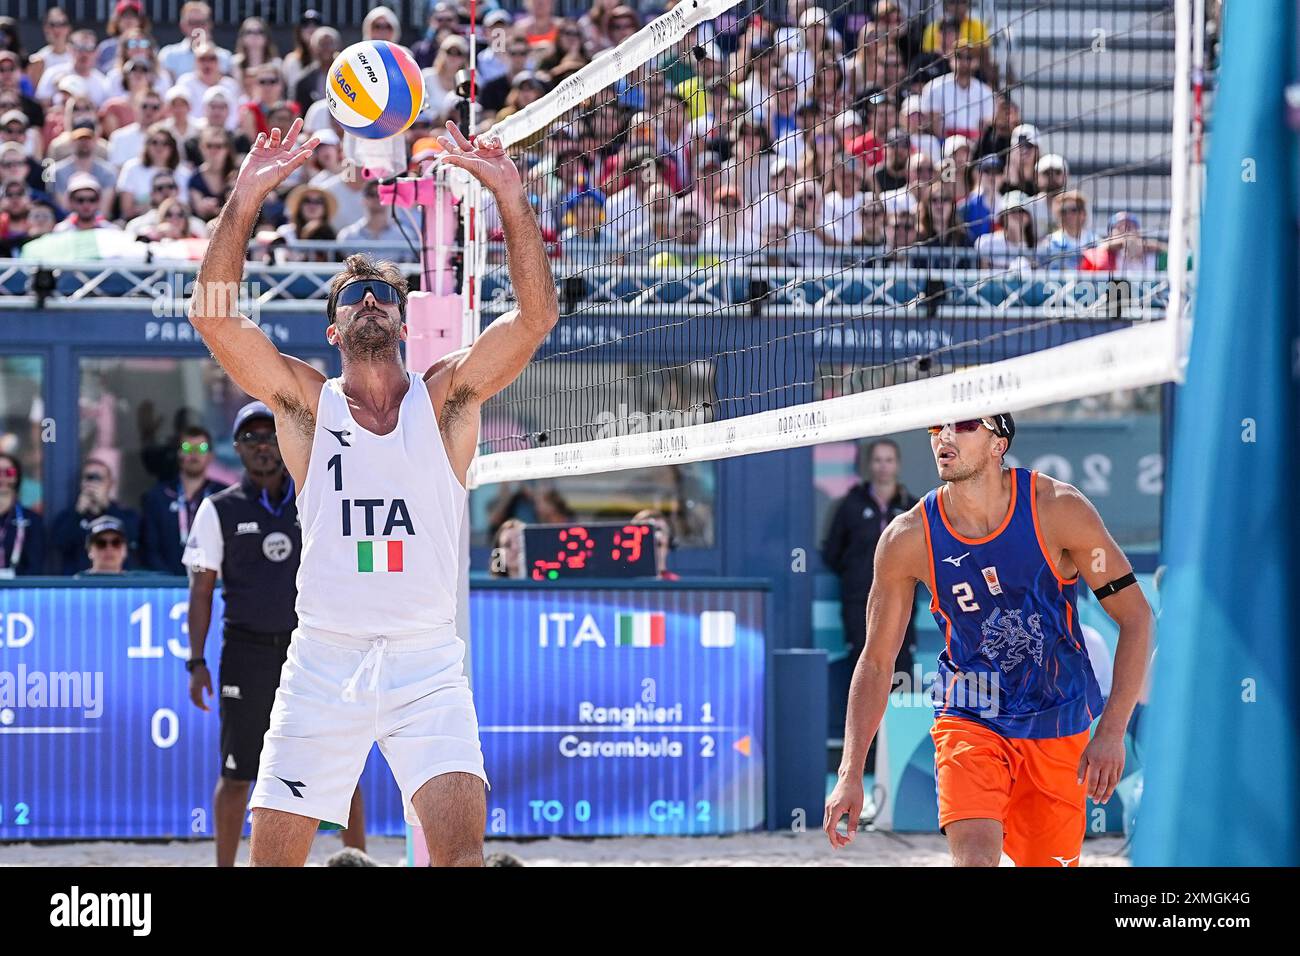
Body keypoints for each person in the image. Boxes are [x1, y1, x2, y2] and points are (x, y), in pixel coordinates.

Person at [189, 117, 558, 866]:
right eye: (354, 293)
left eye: (383, 293)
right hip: (324, 656)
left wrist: (511, 199)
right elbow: (213, 317)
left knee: (460, 858)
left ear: (402, 318)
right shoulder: (304, 404)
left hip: (426, 661)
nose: (368, 300)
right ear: (332, 328)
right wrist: (247, 194)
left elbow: (536, 318)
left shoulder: (447, 398)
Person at [825, 415, 1153, 866]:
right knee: (976, 856)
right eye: (935, 427)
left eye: (962, 426)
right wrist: (850, 772)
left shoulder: (1057, 508)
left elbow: (1136, 617)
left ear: (999, 442)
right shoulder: (907, 537)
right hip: (971, 708)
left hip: (1056, 717)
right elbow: (878, 662)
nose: (943, 436)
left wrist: (1113, 730)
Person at [182, 401, 365, 867]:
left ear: (285, 443)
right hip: (246, 649)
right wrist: (196, 661)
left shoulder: (317, 499)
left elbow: (352, 567)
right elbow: (201, 591)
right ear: (238, 449)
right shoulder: (217, 509)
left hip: (315, 647)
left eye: (271, 437)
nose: (264, 446)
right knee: (239, 772)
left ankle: (357, 861)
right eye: (252, 438)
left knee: (341, 769)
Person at [821, 439, 919, 680]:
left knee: (900, 668)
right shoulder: (850, 506)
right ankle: (864, 720)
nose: (883, 466)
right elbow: (832, 552)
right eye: (877, 460)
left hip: (901, 600)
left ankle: (897, 720)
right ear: (868, 465)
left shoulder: (911, 508)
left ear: (897, 465)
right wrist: (856, 575)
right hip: (859, 602)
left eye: (888, 460)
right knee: (863, 668)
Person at [140, 424, 225, 574]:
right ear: (178, 454)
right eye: (187, 448)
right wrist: (169, 583)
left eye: (202, 448)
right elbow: (149, 548)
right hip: (167, 587)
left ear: (210, 455)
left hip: (214, 583)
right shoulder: (157, 497)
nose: (194, 453)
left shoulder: (223, 496)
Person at [50, 456, 140, 574]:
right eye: (89, 478)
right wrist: (77, 514)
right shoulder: (67, 516)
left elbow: (132, 539)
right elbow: (59, 544)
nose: (93, 484)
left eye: (98, 478)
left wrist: (107, 507)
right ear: (81, 483)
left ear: (110, 484)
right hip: (78, 584)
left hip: (117, 582)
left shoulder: (125, 514)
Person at [0, 451, 45, 578]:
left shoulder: (32, 519)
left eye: (9, 472)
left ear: (17, 477)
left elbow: (35, 565)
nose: (3, 478)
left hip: (19, 591)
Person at [631, 509, 679, 580]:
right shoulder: (617, 581)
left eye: (659, 529)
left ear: (669, 543)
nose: (655, 536)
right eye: (645, 532)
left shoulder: (675, 586)